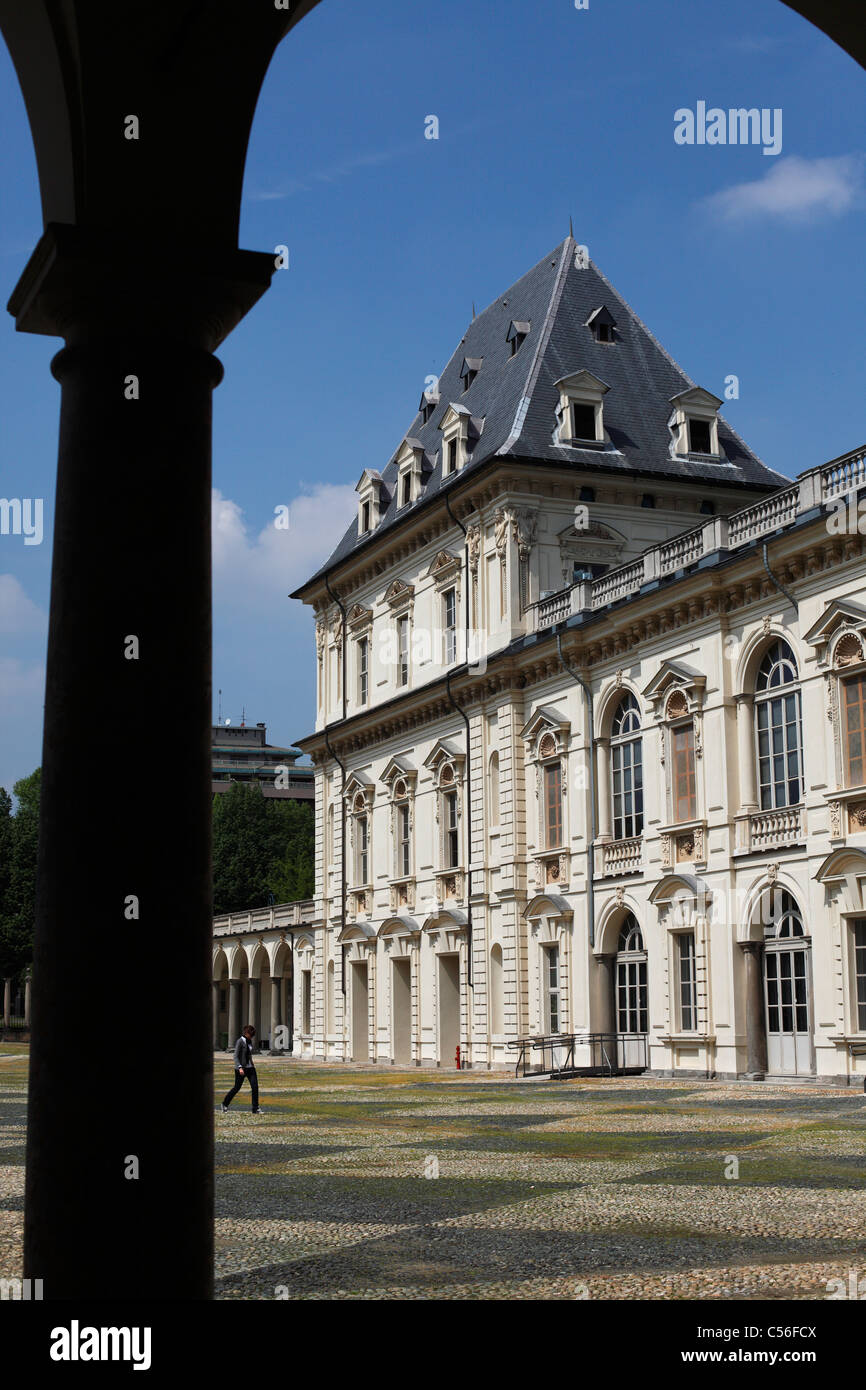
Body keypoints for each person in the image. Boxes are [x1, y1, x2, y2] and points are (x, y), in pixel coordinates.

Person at [221, 1024, 263, 1113]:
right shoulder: (240, 1041)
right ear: (246, 1033)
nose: (252, 1036)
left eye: (253, 1035)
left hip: (250, 1068)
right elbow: (235, 1056)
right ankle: (225, 1103)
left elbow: (249, 1053)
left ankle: (255, 1108)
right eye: (251, 1034)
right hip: (241, 1068)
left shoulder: (249, 1041)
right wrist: (240, 1067)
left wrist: (252, 1063)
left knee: (255, 1087)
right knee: (236, 1087)